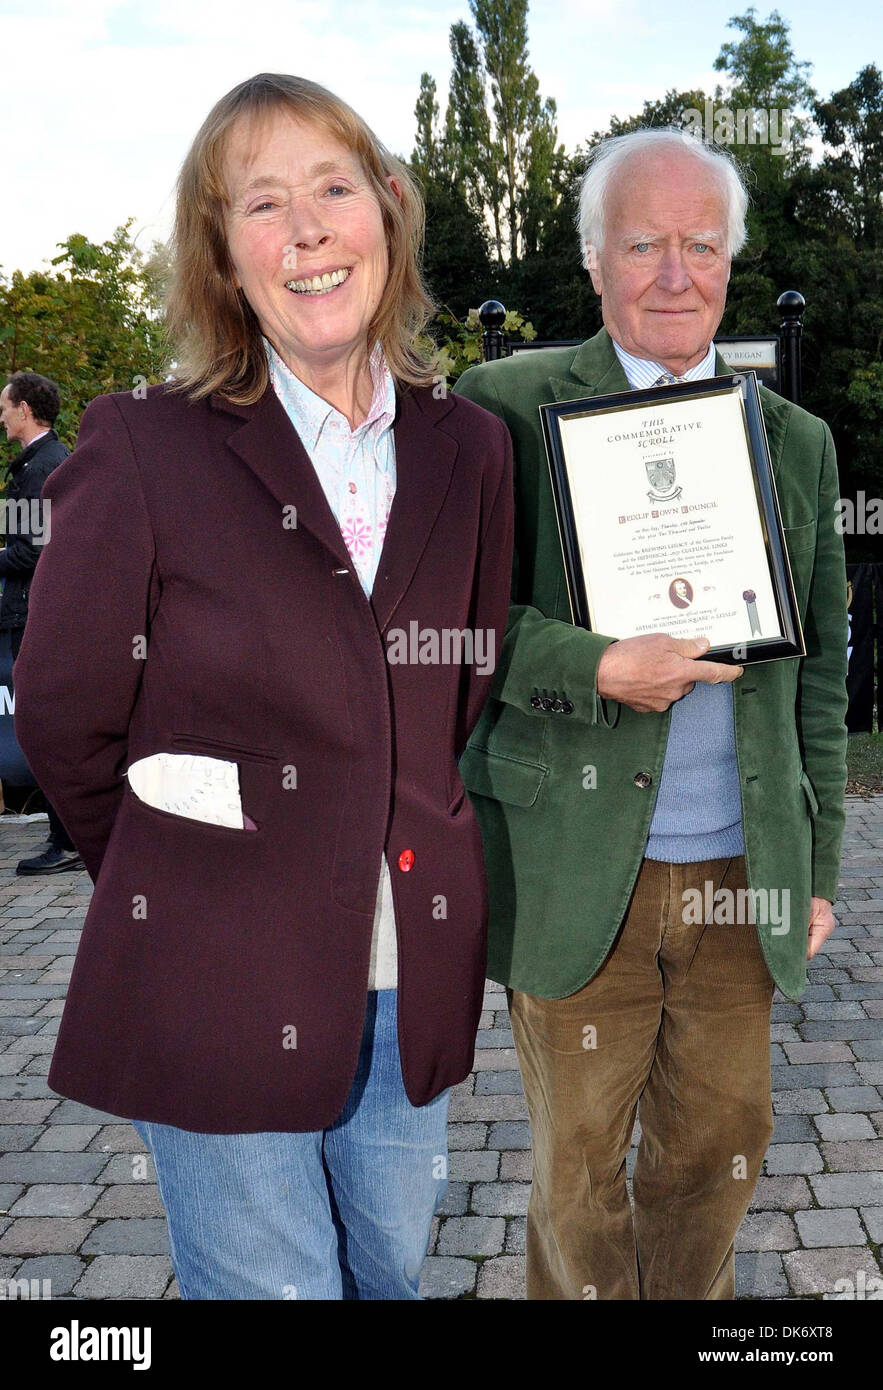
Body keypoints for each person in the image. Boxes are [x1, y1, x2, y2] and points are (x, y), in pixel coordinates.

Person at [13, 72, 513, 1300]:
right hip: (210, 969)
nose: (307, 230)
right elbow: (68, 717)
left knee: (387, 1274)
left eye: (335, 188)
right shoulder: (141, 444)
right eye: (262, 203)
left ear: (388, 216)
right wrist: (174, 862)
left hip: (409, 974)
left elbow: (462, 682)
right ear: (221, 256)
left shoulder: (471, 445)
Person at [455, 127, 848, 1301]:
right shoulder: (503, 406)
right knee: (576, 1175)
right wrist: (594, 663)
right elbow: (455, 635)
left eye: (700, 244)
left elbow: (820, 675)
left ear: (729, 259)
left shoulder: (794, 442)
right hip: (574, 866)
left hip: (742, 868)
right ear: (590, 259)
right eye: (642, 244)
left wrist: (816, 866)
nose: (674, 274)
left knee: (712, 1165)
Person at [0, 372, 83, 872]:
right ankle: (68, 837)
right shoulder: (41, 463)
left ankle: (68, 841)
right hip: (42, 610)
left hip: (36, 614)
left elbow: (26, 554)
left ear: (26, 410)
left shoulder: (38, 469)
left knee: (45, 729)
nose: (2, 415)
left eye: (6, 406)